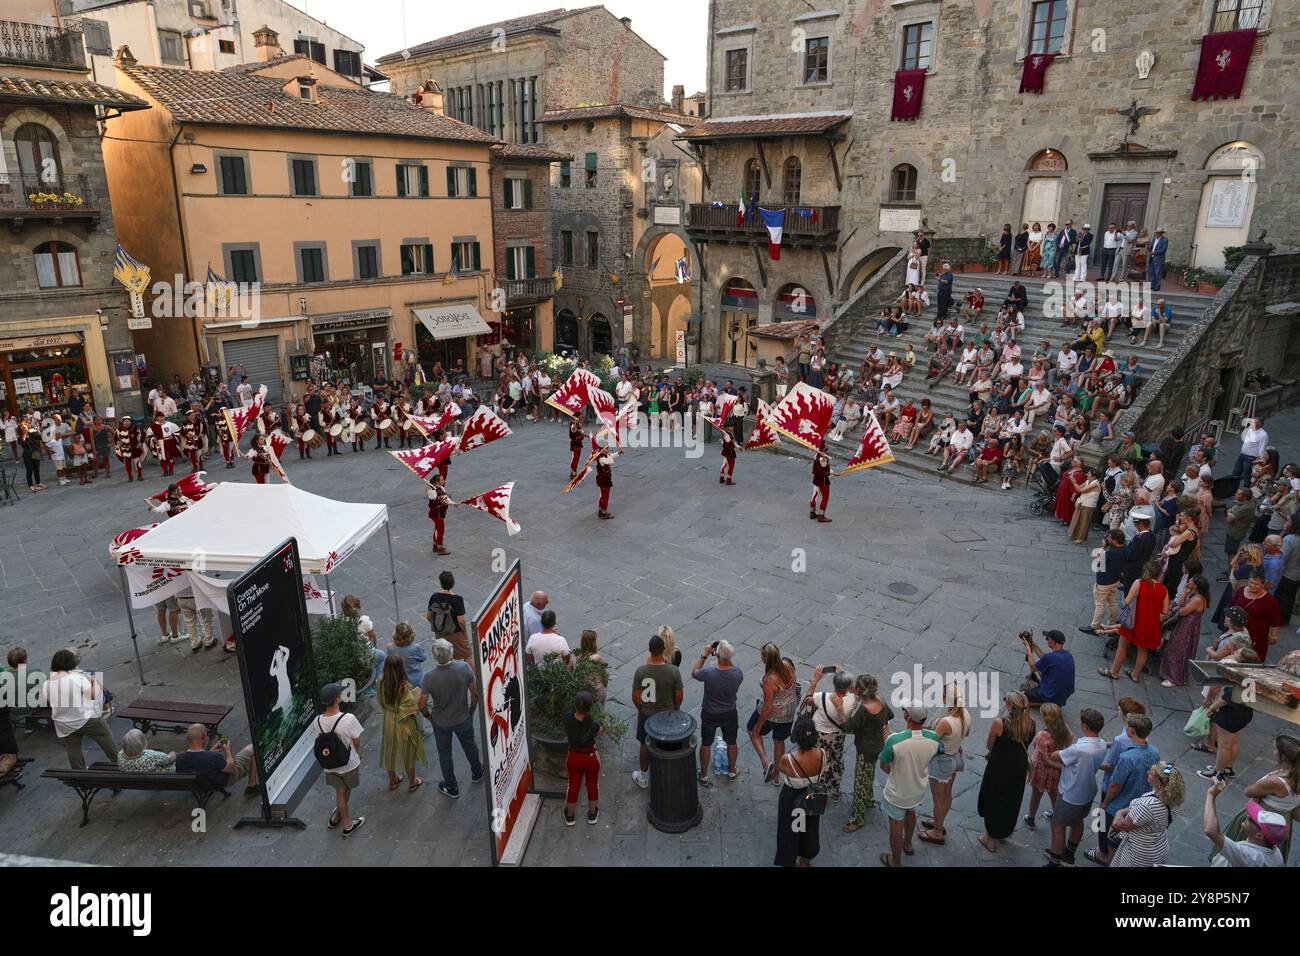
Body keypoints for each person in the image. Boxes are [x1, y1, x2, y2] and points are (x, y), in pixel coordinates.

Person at [1210, 735, 1299, 864]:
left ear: (1283, 756)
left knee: (1239, 850)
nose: (1272, 751)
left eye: (1275, 749)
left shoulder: (1276, 781)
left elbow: (1249, 791)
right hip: (1283, 820)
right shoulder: (1294, 776)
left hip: (1261, 817)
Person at [1087, 712, 1159, 865]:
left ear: (1132, 731)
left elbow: (1115, 786)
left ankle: (1104, 855)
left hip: (1119, 804)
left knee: (1105, 829)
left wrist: (1105, 803)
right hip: (1139, 800)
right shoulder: (1155, 752)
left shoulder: (1127, 758)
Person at [418, 639, 483, 799]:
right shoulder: (464, 668)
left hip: (440, 721)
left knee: (445, 754)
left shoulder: (429, 677)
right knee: (470, 745)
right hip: (462, 716)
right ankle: (477, 772)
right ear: (451, 653)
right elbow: (475, 693)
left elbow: (422, 704)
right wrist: (471, 710)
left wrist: (429, 716)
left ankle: (451, 786)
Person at [879, 703, 941, 867]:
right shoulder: (934, 738)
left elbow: (884, 766)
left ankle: (896, 861)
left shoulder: (894, 740)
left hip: (897, 792)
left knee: (896, 826)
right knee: (911, 812)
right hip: (917, 789)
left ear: (907, 717)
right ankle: (908, 844)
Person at [977, 691, 1035, 853]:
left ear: (1010, 705)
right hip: (1018, 769)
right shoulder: (1031, 724)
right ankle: (1003, 830)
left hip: (999, 768)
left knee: (993, 799)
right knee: (1011, 800)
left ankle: (990, 837)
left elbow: (990, 745)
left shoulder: (1000, 723)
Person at [45, 649, 117, 770]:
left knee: (73, 749)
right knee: (105, 737)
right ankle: (118, 762)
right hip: (85, 718)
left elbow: (50, 701)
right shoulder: (76, 677)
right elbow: (93, 695)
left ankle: (80, 774)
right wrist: (94, 682)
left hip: (63, 723)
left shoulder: (47, 683)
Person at [918, 686, 970, 846]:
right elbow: (966, 733)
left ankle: (937, 832)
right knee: (947, 794)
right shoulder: (966, 714)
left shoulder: (946, 722)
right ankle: (939, 822)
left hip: (942, 762)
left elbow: (932, 741)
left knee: (938, 799)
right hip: (955, 757)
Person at [630, 633, 683, 790]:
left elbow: (635, 697)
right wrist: (675, 708)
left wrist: (641, 708)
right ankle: (667, 773)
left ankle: (643, 776)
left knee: (644, 744)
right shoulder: (673, 671)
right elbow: (679, 696)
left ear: (649, 650)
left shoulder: (641, 671)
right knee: (666, 743)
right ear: (664, 649)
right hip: (666, 714)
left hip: (646, 714)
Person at [1101, 560, 1168, 683]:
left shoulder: (1138, 583)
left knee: (1122, 646)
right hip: (1150, 625)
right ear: (1159, 574)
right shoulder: (1163, 589)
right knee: (1143, 650)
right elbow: (1164, 611)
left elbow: (1127, 601)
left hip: (1134, 620)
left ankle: (1114, 672)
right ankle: (1135, 675)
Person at [841, 674, 893, 833]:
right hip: (878, 745)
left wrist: (843, 715)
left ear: (859, 690)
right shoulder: (880, 701)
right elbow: (889, 716)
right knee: (869, 774)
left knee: (860, 781)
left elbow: (849, 727)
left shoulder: (864, 710)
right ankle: (869, 799)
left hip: (865, 749)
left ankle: (857, 818)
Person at [1109, 761, 1185, 867]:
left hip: (1139, 854)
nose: (1147, 772)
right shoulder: (1174, 797)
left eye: (1151, 773)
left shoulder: (1147, 806)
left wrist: (1118, 813)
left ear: (1160, 784)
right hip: (1158, 847)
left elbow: (1124, 826)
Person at [774, 718, 825, 867]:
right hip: (812, 795)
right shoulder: (822, 754)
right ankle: (806, 859)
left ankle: (789, 858)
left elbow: (780, 770)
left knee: (791, 831)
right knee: (810, 827)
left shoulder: (788, 759)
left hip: (793, 798)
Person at [746, 643, 799, 785]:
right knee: (779, 740)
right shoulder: (788, 664)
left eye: (762, 656)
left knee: (752, 730)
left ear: (766, 658)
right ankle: (776, 777)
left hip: (774, 714)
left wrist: (759, 726)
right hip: (789, 712)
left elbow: (768, 708)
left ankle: (765, 762)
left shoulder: (769, 680)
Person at [692, 640, 744, 784]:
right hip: (729, 712)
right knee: (732, 742)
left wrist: (704, 655)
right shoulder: (738, 673)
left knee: (706, 743)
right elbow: (730, 667)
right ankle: (732, 770)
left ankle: (703, 774)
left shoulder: (709, 673)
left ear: (718, 655)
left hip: (710, 712)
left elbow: (695, 672)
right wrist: (725, 656)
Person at [316, 683, 365, 834]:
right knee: (345, 791)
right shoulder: (348, 718)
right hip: (348, 764)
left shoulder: (317, 720)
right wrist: (356, 751)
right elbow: (356, 740)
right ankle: (347, 824)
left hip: (329, 765)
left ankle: (336, 817)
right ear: (337, 699)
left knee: (339, 791)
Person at [805, 668, 856, 803]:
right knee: (837, 761)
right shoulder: (852, 700)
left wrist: (815, 680)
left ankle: (818, 789)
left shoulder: (822, 697)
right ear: (848, 687)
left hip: (820, 734)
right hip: (838, 735)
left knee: (821, 761)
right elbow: (855, 690)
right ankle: (836, 790)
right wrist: (843, 676)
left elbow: (808, 700)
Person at [377, 655, 425, 794]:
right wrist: (417, 695)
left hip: (389, 719)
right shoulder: (405, 686)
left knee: (390, 751)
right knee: (407, 752)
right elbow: (411, 708)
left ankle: (393, 781)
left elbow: (380, 701)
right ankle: (412, 783)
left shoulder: (380, 682)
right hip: (404, 722)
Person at [175, 721, 259, 796]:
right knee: (253, 747)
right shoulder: (214, 757)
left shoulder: (179, 757)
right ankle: (252, 786)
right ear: (203, 737)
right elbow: (230, 768)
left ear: (188, 739)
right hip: (224, 780)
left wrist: (211, 752)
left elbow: (200, 760)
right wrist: (228, 751)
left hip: (201, 783)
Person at [1159, 574, 1209, 687]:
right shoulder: (1194, 595)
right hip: (1185, 625)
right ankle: (1172, 674)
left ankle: (1173, 678)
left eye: (1191, 580)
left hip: (1187, 628)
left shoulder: (1198, 599)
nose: (1189, 580)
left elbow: (1182, 612)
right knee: (1177, 648)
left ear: (1196, 585)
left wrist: (1181, 607)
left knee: (1178, 650)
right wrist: (1186, 592)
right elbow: (1182, 605)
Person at [563, 690, 601, 826]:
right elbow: (599, 731)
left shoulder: (567, 718)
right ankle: (592, 814)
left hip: (574, 757)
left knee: (573, 785)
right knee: (592, 785)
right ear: (590, 707)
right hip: (590, 757)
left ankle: (570, 816)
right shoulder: (592, 724)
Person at [1022, 629, 1075, 707]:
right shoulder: (1068, 654)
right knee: (1043, 669)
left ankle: (1045, 703)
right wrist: (1032, 643)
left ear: (1053, 642)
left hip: (1050, 696)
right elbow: (1044, 658)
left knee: (1023, 697)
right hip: (1063, 695)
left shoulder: (1050, 657)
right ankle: (1051, 702)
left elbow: (1033, 668)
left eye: (1047, 638)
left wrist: (1028, 648)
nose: (1046, 640)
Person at [426, 570, 470, 662]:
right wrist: (464, 631)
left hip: (440, 634)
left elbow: (429, 616)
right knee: (467, 655)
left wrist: (439, 626)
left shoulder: (434, 597)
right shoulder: (457, 599)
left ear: (441, 583)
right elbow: (461, 621)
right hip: (456, 633)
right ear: (453, 583)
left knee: (445, 657)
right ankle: (473, 676)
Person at [810, 440, 832, 523]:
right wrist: (823, 459)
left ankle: (812, 513)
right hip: (823, 480)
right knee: (825, 498)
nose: (827, 445)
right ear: (823, 447)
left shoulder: (816, 455)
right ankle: (821, 516)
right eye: (826, 444)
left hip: (816, 479)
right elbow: (824, 468)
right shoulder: (823, 458)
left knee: (814, 495)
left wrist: (833, 472)